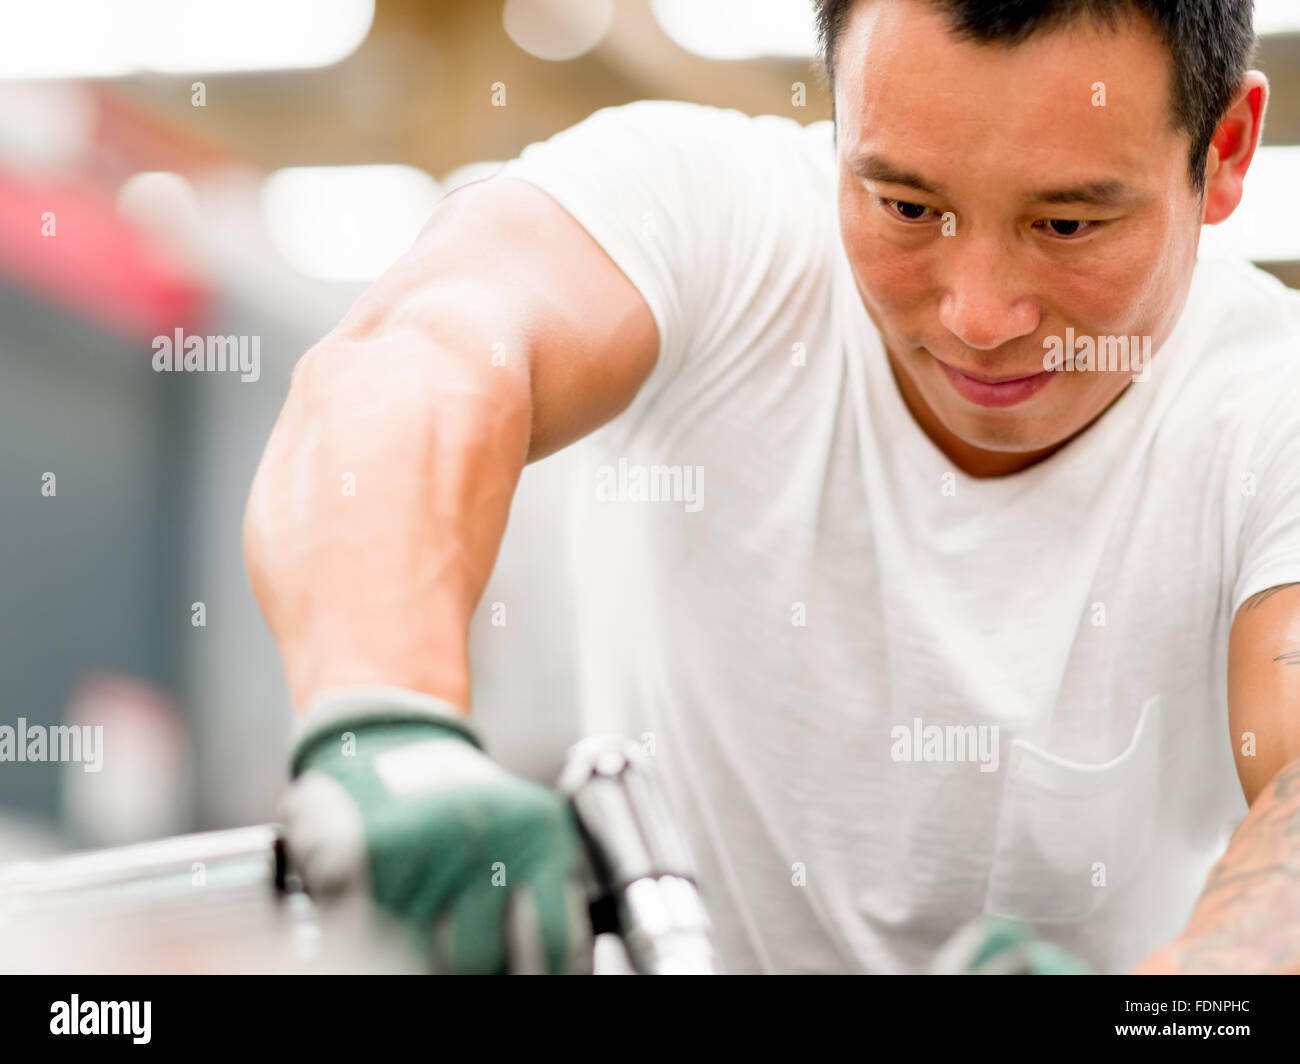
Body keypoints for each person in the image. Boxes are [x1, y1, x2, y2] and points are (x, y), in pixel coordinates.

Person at [244, 0, 1300, 974]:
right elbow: (414, 355)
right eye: (904, 204)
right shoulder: (710, 218)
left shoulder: (1269, 407)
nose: (978, 314)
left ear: (1225, 150)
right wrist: (384, 713)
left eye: (1066, 225)